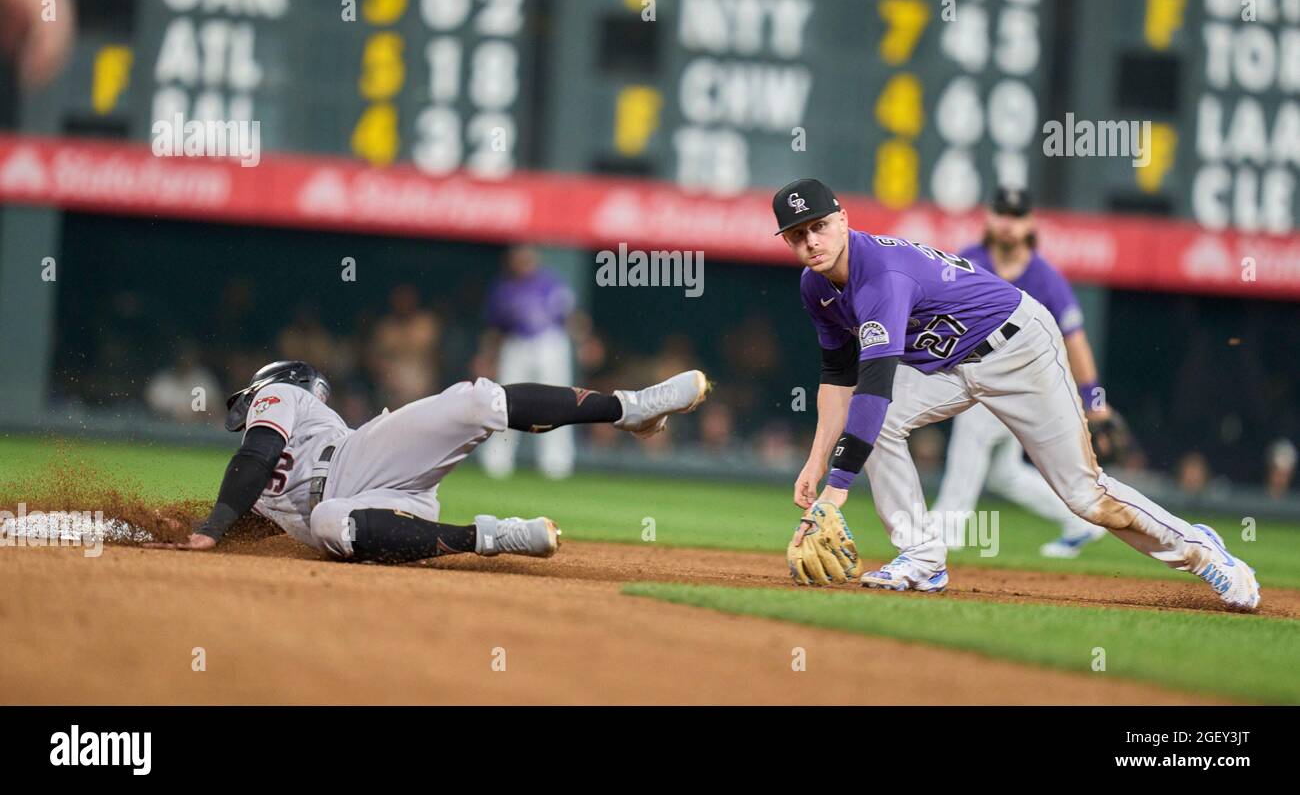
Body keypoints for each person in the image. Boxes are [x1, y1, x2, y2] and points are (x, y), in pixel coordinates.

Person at [775, 177, 1259, 611]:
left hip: (1017, 348)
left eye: (818, 225)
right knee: (878, 427)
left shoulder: (881, 275)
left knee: (1084, 496)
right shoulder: (812, 286)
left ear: (843, 219)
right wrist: (817, 464)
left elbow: (875, 387)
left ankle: (1201, 550)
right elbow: (839, 378)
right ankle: (922, 557)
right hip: (948, 364)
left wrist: (835, 494)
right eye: (797, 235)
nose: (811, 241)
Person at [148, 360, 710, 560]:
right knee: (327, 524)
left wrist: (212, 527)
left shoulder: (285, 398)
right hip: (372, 505)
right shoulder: (263, 494)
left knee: (473, 402)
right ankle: (491, 537)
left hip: (355, 462)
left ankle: (632, 409)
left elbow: (258, 451)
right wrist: (168, 527)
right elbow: (256, 513)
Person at [930, 187, 1108, 558]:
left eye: (1017, 216)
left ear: (1030, 224)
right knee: (1003, 473)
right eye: (1002, 214)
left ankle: (943, 532)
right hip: (980, 373)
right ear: (989, 218)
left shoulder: (1045, 278)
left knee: (972, 429)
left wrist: (1094, 397)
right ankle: (1083, 520)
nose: (1008, 224)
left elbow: (1075, 340)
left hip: (1028, 381)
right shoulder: (970, 260)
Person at [477, 246, 578, 479]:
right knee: (506, 401)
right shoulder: (504, 289)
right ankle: (497, 460)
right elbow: (495, 329)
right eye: (518, 258)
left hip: (550, 343)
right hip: (517, 344)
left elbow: (570, 317)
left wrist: (584, 342)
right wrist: (487, 356)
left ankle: (557, 462)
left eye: (527, 258)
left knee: (558, 402)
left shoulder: (550, 284)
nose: (523, 262)